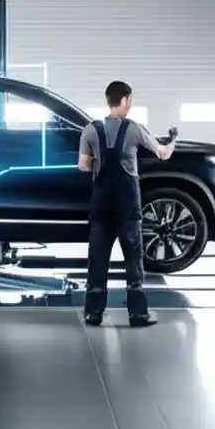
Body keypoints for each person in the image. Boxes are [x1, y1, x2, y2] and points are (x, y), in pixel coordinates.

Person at [78, 80, 177, 327]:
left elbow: (83, 165)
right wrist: (174, 139)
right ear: (124, 100)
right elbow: (163, 153)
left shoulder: (90, 129)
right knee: (133, 257)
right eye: (130, 99)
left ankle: (93, 314)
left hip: (100, 204)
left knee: (98, 257)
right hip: (127, 205)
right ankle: (138, 314)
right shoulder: (134, 129)